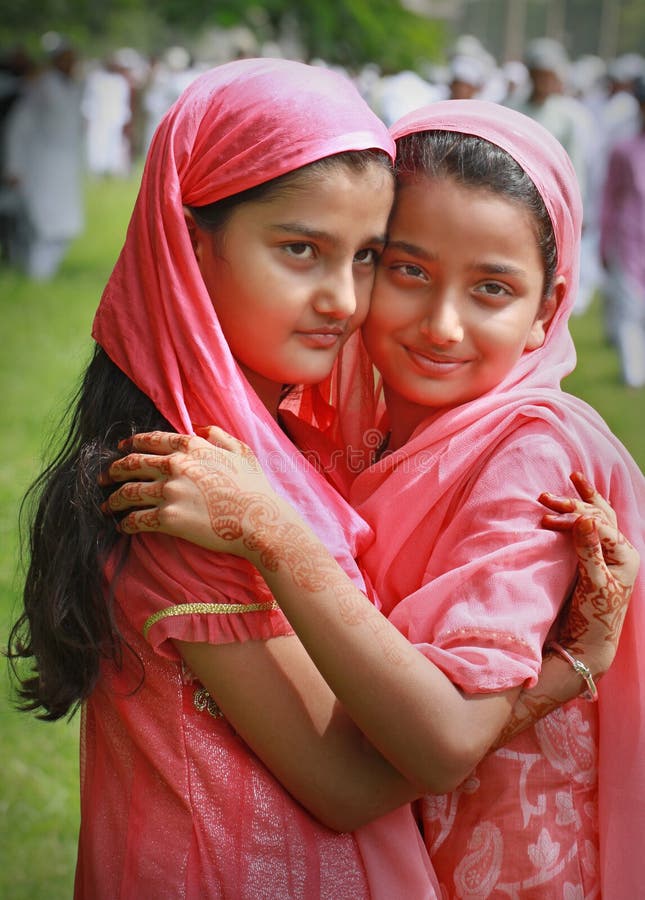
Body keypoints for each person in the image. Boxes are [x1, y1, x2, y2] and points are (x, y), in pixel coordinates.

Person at [102, 100, 644, 899]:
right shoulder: (341, 425)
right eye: (406, 270)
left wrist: (273, 535)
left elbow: (439, 741)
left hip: (510, 857)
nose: (443, 325)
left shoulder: (531, 455)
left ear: (546, 308)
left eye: (491, 288)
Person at [2, 39, 84, 280]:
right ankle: (33, 276)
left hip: (64, 169)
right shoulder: (40, 86)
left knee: (63, 226)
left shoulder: (70, 87)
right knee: (39, 224)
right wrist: (13, 166)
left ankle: (39, 275)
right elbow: (18, 128)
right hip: (39, 167)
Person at [599, 73, 645, 389]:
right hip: (629, 238)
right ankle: (633, 373)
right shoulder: (624, 149)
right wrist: (604, 242)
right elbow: (610, 198)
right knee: (629, 307)